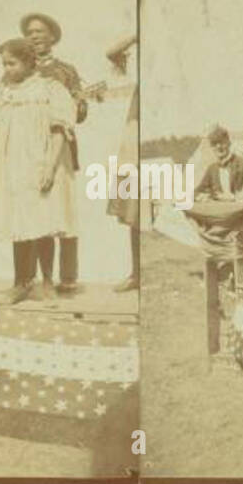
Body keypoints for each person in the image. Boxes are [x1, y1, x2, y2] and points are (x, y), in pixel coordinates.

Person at [0, 38, 78, 304]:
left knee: (43, 222)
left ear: (28, 62)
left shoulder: (50, 89)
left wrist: (50, 166)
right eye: (4, 63)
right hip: (12, 166)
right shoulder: (2, 92)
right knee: (18, 222)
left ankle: (47, 282)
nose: (7, 68)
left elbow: (60, 130)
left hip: (40, 162)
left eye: (12, 63)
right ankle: (20, 282)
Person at [22, 12, 84, 295]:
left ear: (52, 37)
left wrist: (77, 105)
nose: (34, 37)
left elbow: (80, 115)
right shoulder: (20, 69)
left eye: (39, 32)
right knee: (36, 212)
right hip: (28, 151)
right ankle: (39, 279)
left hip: (60, 149)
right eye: (30, 32)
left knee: (64, 211)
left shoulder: (66, 70)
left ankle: (68, 278)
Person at [105, 34, 141, 292]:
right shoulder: (138, 52)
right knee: (132, 211)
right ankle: (136, 273)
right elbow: (111, 51)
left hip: (160, 133)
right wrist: (137, 34)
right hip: (135, 134)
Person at [195, 126, 243, 201]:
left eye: (222, 142)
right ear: (211, 147)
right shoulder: (212, 169)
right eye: (214, 144)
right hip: (219, 210)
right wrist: (202, 196)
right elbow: (196, 192)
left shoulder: (242, 164)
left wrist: (234, 197)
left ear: (229, 143)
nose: (218, 147)